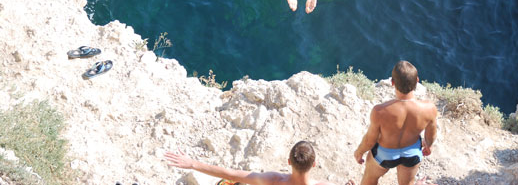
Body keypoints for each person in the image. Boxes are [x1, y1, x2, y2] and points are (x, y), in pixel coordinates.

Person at [353, 61, 438, 185]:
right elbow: (431, 134)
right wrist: (428, 145)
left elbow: (370, 140)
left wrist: (359, 152)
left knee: (369, 179)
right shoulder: (429, 108)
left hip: (384, 154)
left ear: (392, 82)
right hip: (412, 153)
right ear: (417, 81)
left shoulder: (380, 111)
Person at [164, 140, 336, 185]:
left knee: (227, 183)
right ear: (314, 164)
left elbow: (229, 173)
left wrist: (192, 163)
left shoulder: (274, 180)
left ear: (289, 161)